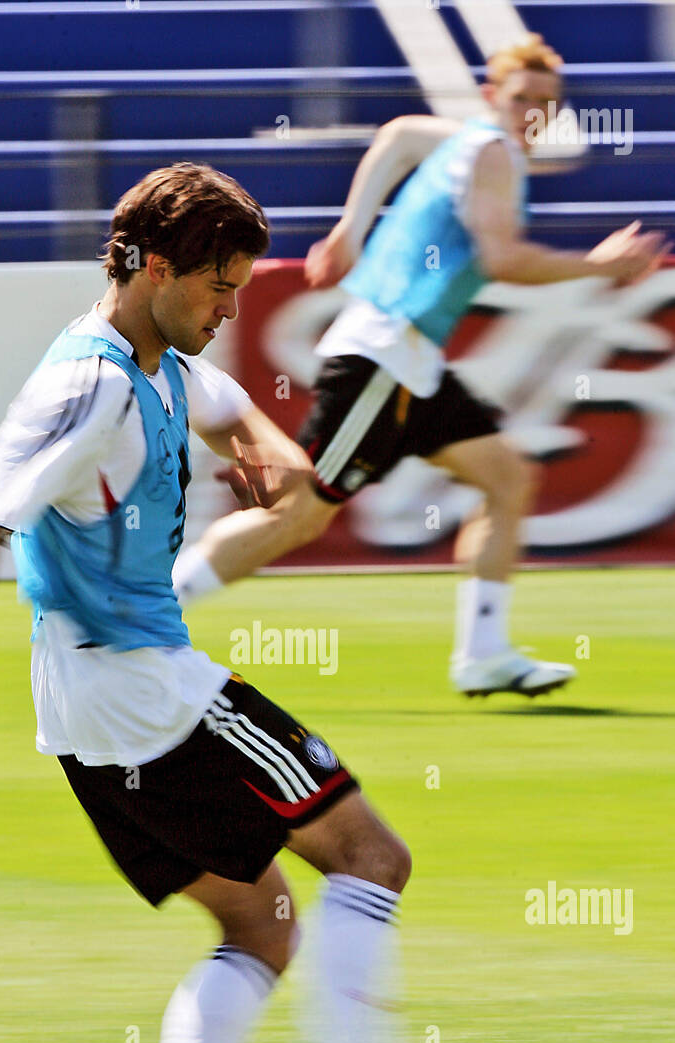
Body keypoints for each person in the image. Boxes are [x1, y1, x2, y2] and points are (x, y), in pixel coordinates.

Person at [0, 163, 432, 1043]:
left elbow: (223, 402)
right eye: (219, 289)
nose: (232, 309)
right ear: (154, 268)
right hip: (145, 686)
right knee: (372, 855)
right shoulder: (88, 384)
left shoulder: (156, 354)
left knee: (262, 921)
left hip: (95, 709)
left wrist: (264, 450)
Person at [172, 35, 668, 698]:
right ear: (492, 97)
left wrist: (352, 226)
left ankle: (483, 655)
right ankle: (146, 615)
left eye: (545, 104)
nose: (531, 113)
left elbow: (401, 133)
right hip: (382, 355)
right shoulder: (491, 154)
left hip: (412, 366)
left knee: (506, 478)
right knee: (301, 514)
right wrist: (596, 268)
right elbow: (501, 260)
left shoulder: (468, 140)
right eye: (520, 99)